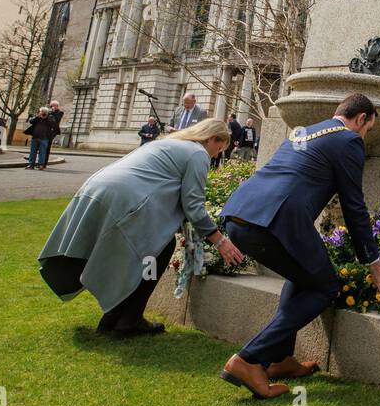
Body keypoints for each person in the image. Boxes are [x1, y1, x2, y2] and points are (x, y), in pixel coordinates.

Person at [216, 94, 380, 399]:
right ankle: (249, 359)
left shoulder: (304, 131)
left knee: (302, 275)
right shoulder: (349, 141)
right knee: (325, 287)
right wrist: (373, 261)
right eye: (367, 129)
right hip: (274, 224)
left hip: (241, 215)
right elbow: (354, 206)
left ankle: (280, 359)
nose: (364, 136)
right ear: (361, 118)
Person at [38, 118, 238, 338]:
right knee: (157, 251)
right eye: (218, 149)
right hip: (126, 198)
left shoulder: (170, 142)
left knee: (146, 254)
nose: (217, 155)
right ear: (210, 139)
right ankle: (129, 319)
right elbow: (193, 205)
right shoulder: (198, 153)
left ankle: (115, 317)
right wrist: (220, 241)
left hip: (100, 188)